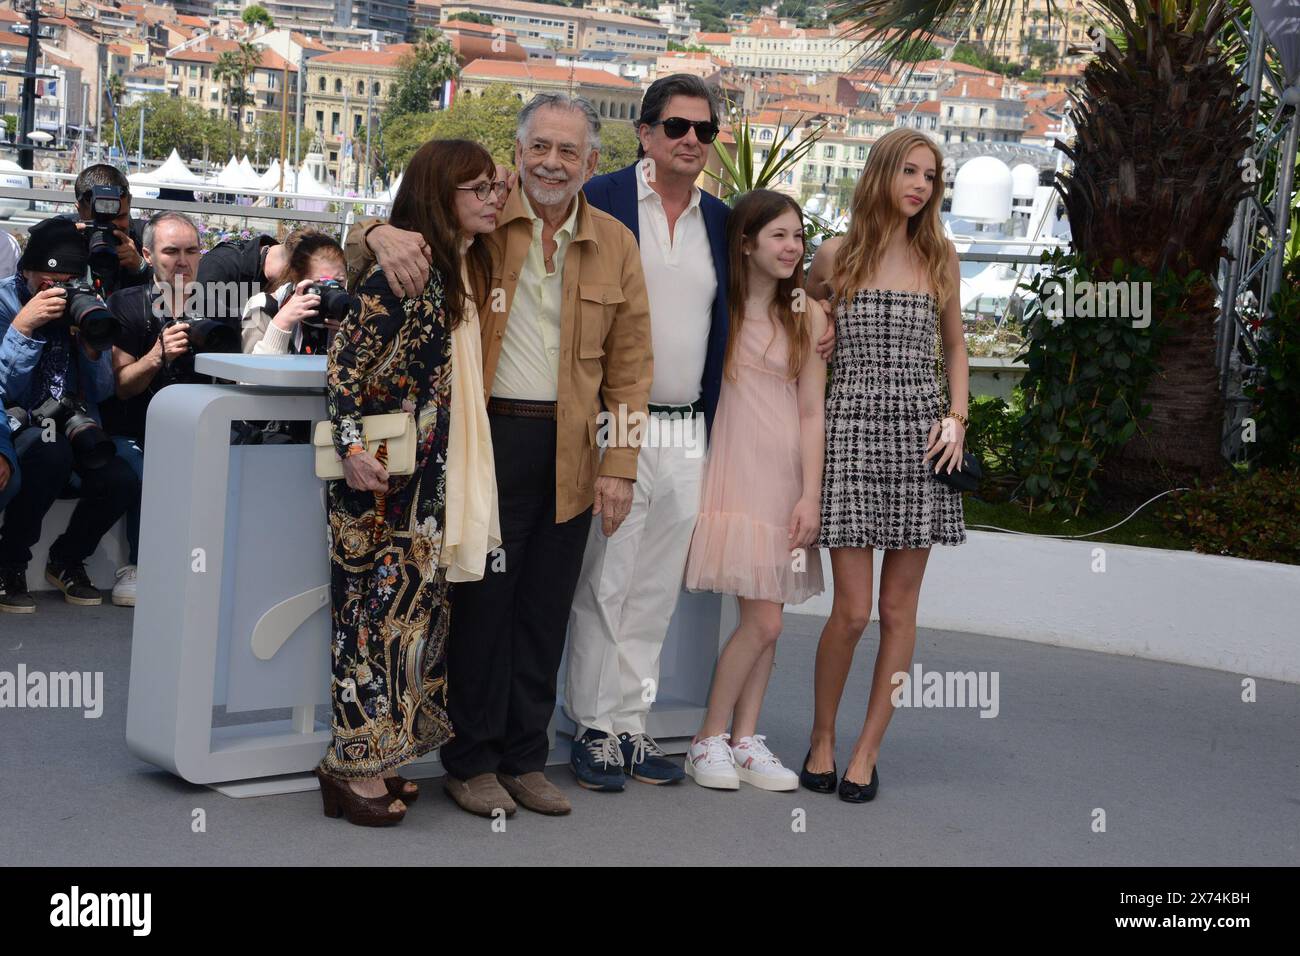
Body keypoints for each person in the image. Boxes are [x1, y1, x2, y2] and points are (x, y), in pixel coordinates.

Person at [346, 95, 653, 819]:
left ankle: (525, 758)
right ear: (518, 154)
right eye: (539, 147)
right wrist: (376, 229)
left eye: (567, 152)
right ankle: (472, 761)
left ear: (592, 164)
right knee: (482, 607)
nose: (551, 162)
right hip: (486, 443)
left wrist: (621, 465)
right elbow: (371, 248)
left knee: (546, 611)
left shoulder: (616, 243)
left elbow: (631, 368)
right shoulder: (482, 221)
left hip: (575, 448)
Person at [316, 139, 501, 826]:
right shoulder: (400, 270)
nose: (492, 198)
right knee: (365, 628)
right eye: (477, 188)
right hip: (377, 484)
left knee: (413, 628)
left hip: (424, 483)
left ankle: (380, 762)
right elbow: (344, 369)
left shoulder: (452, 266)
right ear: (440, 195)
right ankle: (350, 770)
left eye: (494, 186)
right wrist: (352, 448)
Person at [560, 73, 728, 790]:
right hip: (615, 422)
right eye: (678, 127)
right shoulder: (595, 201)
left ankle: (629, 724)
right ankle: (592, 725)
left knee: (656, 588)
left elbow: (771, 292)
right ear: (646, 132)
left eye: (704, 131)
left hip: (689, 428)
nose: (691, 141)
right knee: (608, 578)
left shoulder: (721, 220)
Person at [801, 128, 969, 803]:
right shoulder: (836, 256)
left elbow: (956, 347)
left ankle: (867, 750)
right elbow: (796, 310)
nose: (920, 185)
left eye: (930, 176)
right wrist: (815, 319)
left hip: (923, 433)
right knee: (851, 611)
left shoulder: (941, 257)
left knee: (900, 610)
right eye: (909, 170)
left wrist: (958, 416)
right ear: (880, 173)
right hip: (850, 427)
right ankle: (822, 739)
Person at [681, 189, 827, 791]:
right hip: (733, 467)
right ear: (746, 242)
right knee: (763, 621)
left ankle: (745, 740)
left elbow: (813, 410)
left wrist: (810, 493)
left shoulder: (810, 316)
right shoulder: (722, 309)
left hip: (786, 475)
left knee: (773, 616)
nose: (792, 247)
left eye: (798, 236)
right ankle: (706, 739)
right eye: (778, 236)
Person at [0, 218, 140, 613]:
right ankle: (9, 563)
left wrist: (92, 350)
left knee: (121, 476)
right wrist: (23, 328)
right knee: (51, 451)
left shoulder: (86, 304)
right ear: (25, 269)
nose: (58, 288)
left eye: (68, 279)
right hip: (20, 425)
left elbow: (99, 391)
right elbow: (4, 388)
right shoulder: (3, 303)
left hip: (76, 420)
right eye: (48, 278)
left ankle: (66, 559)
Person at [99, 211, 204, 607]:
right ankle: (140, 565)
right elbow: (121, 387)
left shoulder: (220, 302)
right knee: (150, 468)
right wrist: (156, 355)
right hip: (133, 430)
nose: (182, 261)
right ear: (147, 253)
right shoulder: (126, 305)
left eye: (191, 251)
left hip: (199, 426)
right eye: (171, 251)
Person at [241, 232, 348, 355]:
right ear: (297, 281)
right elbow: (251, 372)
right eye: (321, 282)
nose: (331, 290)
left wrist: (346, 337)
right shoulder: (261, 307)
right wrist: (281, 324)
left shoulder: (350, 311)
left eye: (339, 281)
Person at [60, 164, 152, 296]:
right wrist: (62, 254)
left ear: (130, 203)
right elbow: (26, 287)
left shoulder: (147, 237)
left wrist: (141, 267)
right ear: (79, 209)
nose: (110, 227)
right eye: (102, 220)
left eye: (120, 217)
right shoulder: (61, 235)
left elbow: (175, 294)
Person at [194, 229, 293, 328]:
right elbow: (201, 321)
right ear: (291, 266)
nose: (295, 285)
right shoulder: (219, 264)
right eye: (297, 277)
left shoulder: (266, 271)